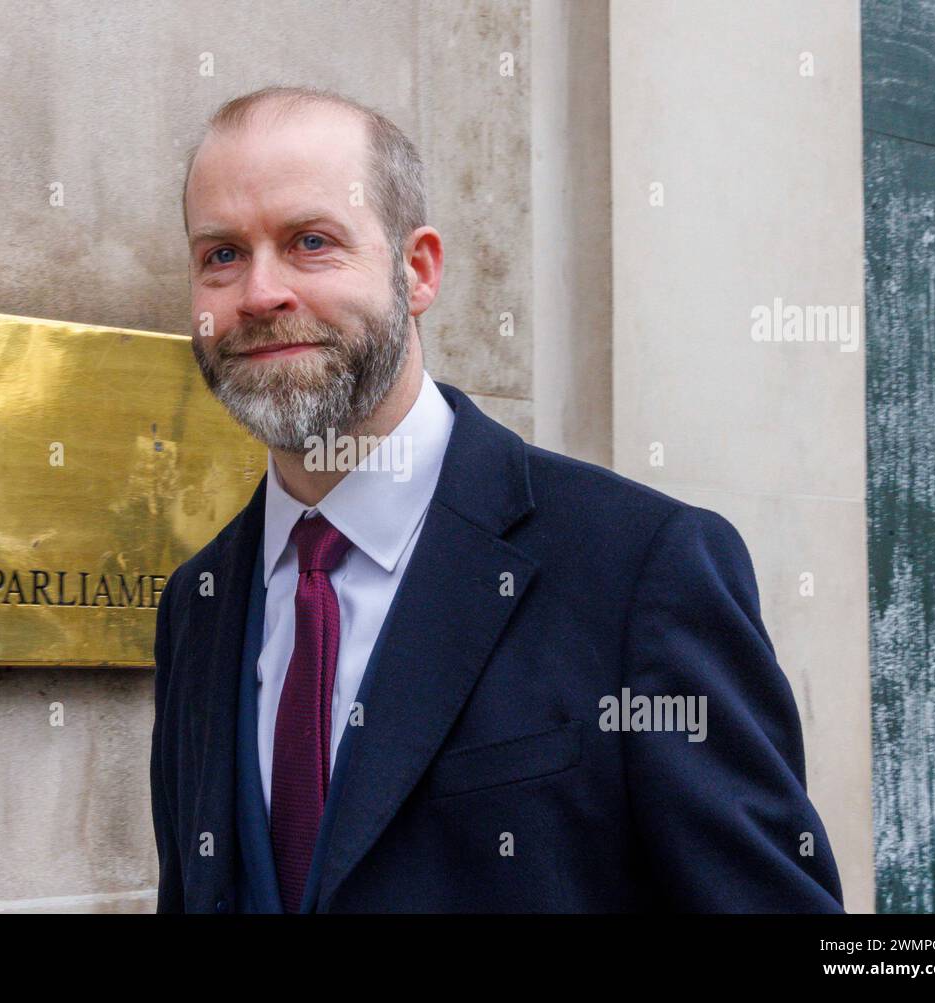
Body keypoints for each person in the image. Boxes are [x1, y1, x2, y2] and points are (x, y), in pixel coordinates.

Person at [149, 85, 844, 913]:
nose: (260, 294)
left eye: (310, 242)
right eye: (221, 255)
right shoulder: (198, 602)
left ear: (417, 270)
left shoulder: (640, 571)